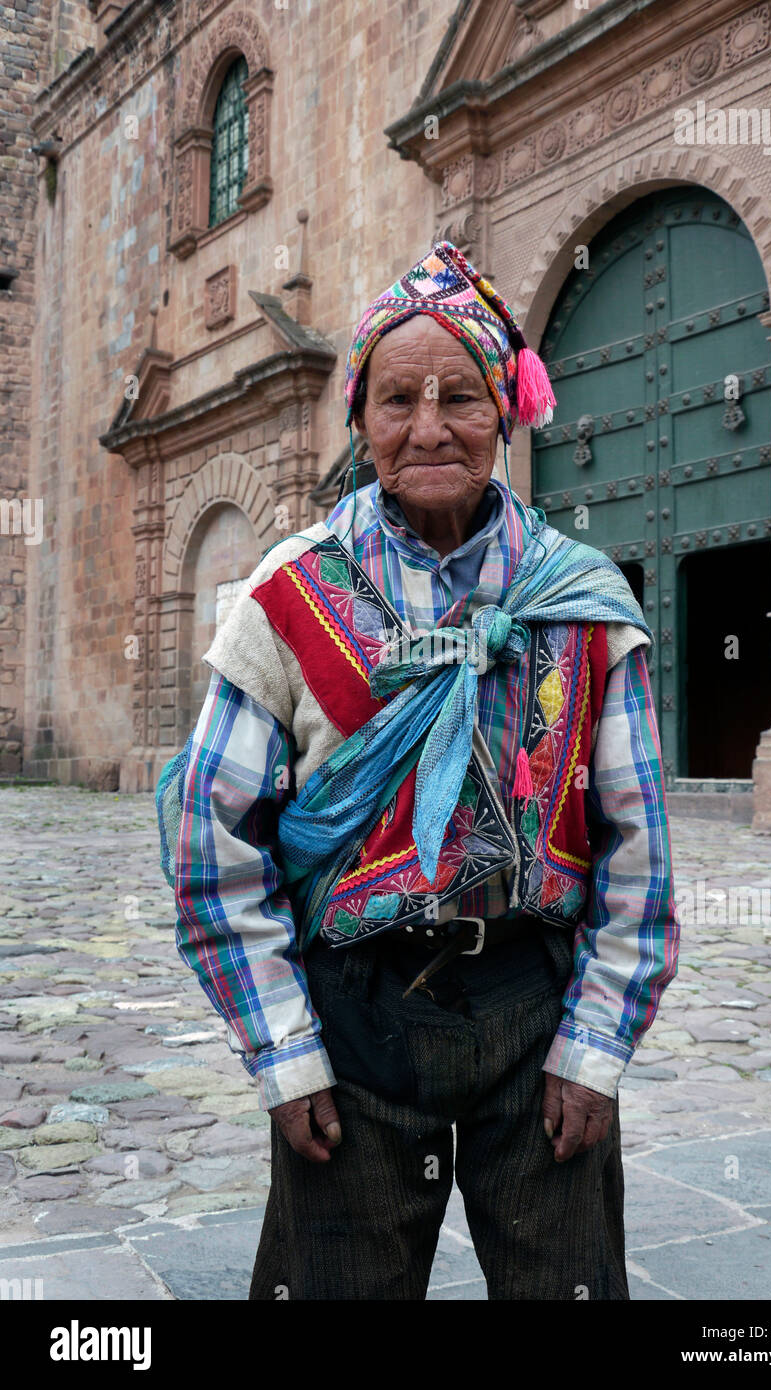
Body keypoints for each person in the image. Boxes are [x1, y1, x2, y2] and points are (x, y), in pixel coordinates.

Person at [172, 240, 680, 1300]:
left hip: (532, 1005)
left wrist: (593, 1047)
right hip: (353, 1014)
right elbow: (213, 847)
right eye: (395, 398)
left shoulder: (582, 604)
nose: (428, 425)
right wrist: (284, 1053)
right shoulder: (286, 599)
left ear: (504, 407)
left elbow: (637, 850)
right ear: (358, 420)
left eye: (459, 395)